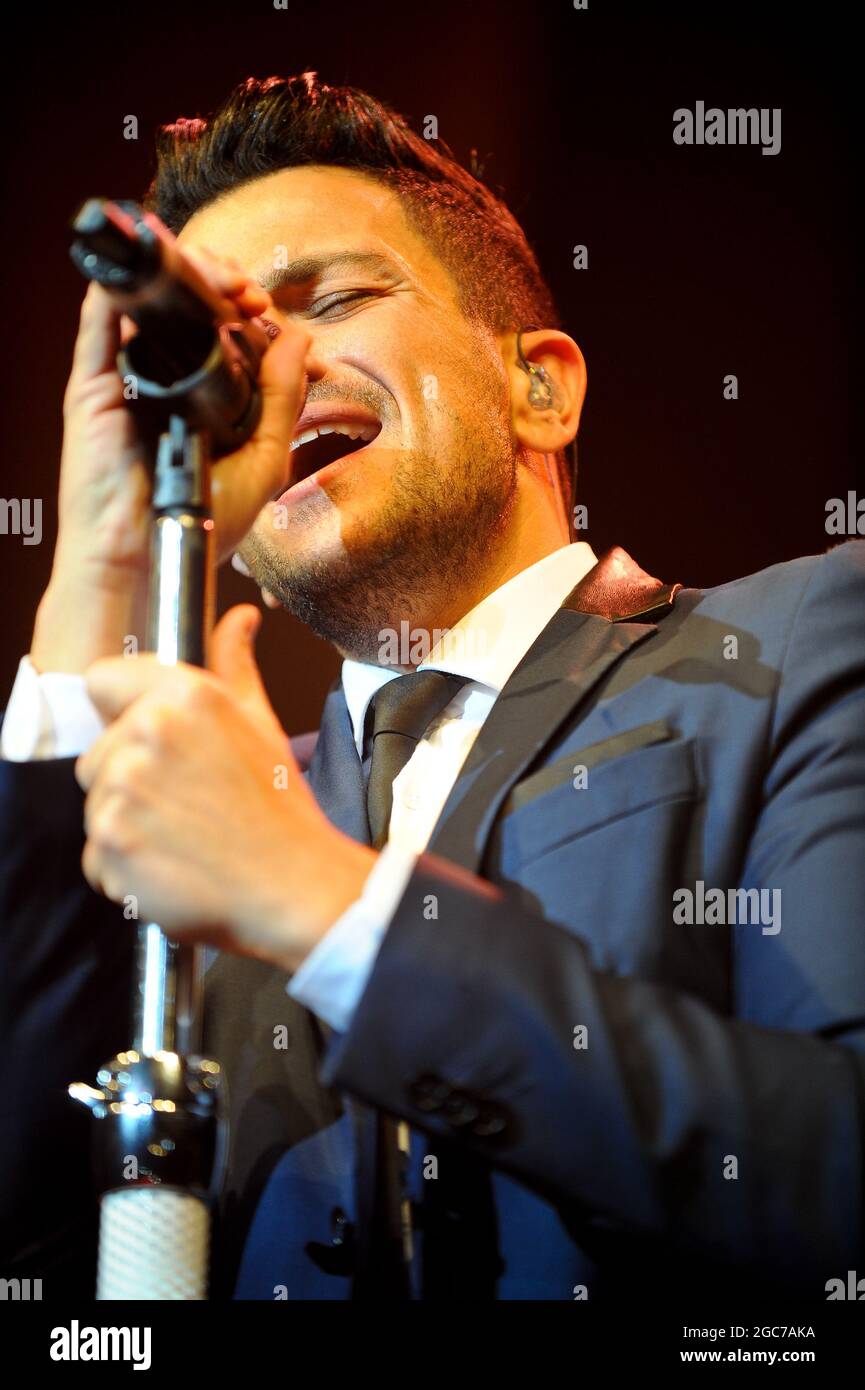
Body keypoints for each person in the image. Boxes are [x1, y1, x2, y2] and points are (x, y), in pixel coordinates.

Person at [1, 71, 863, 1303]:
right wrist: (108, 551)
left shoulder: (802, 637)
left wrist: (323, 903)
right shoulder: (215, 806)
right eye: (230, 347)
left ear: (540, 386)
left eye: (336, 298)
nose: (277, 372)